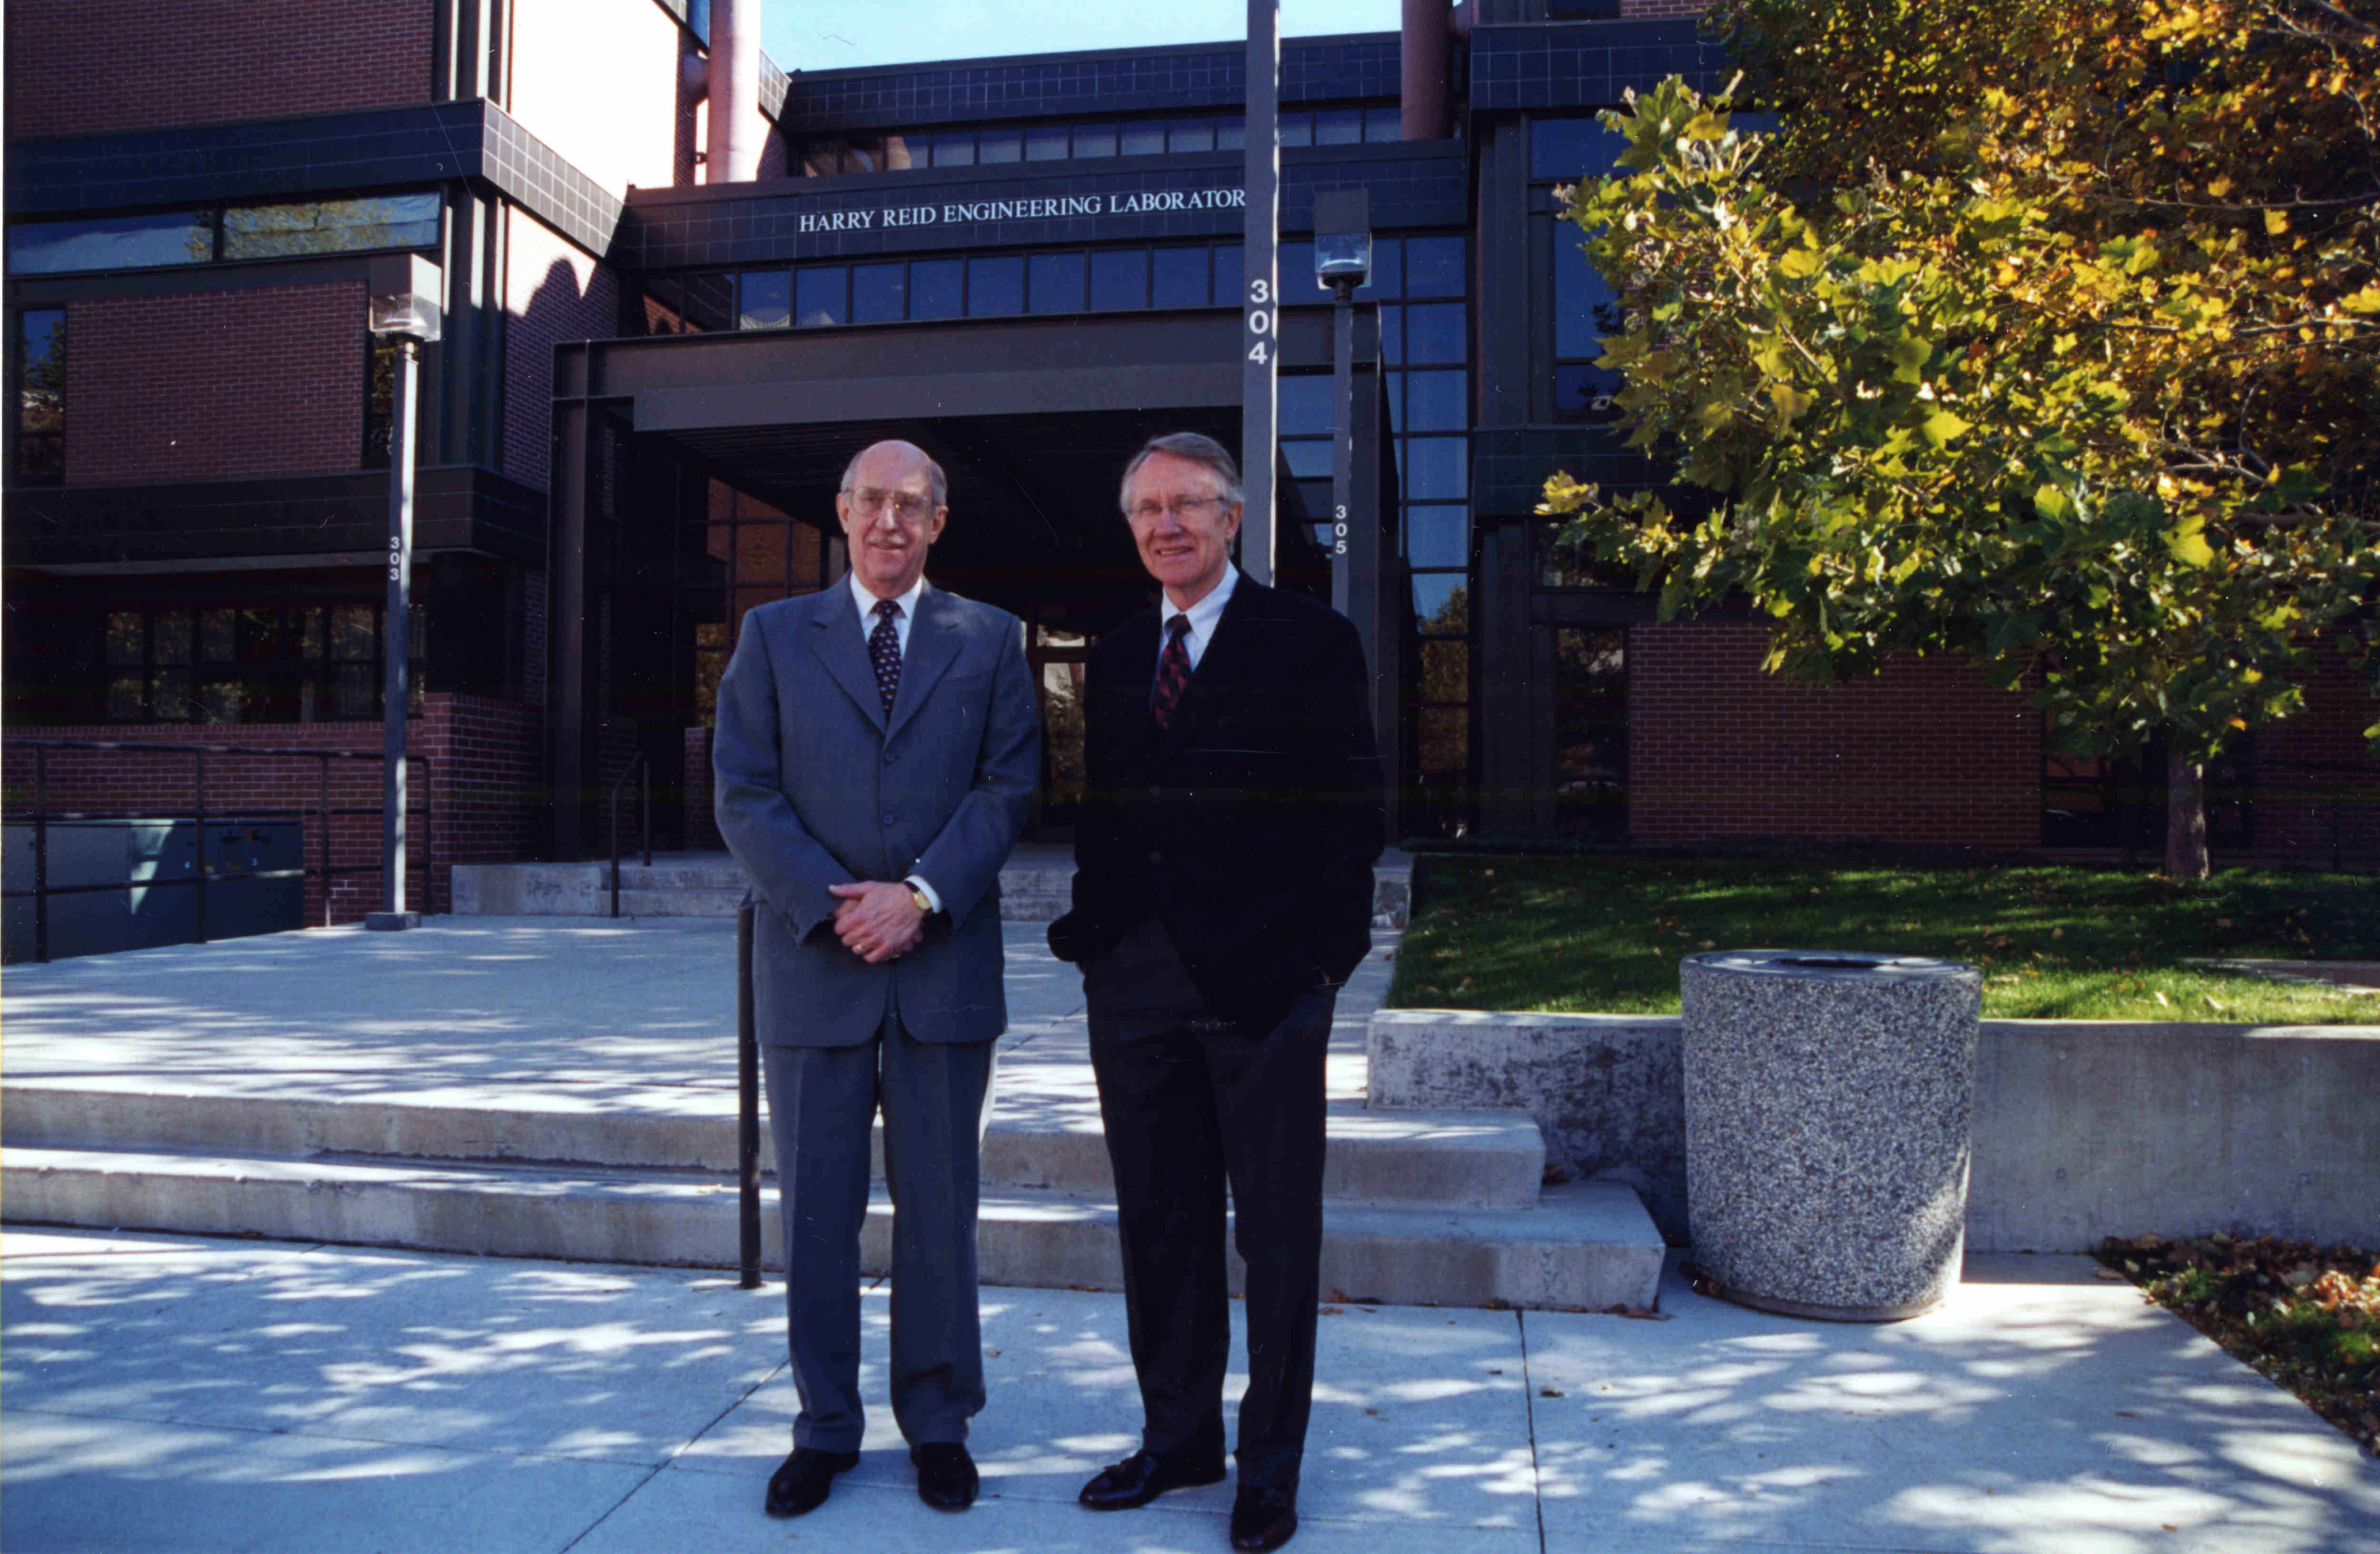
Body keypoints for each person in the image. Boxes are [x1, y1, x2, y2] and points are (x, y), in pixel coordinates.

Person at [1050, 432, 1385, 1552]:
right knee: (1159, 1225)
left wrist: (1322, 967)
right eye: (1145, 509)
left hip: (1267, 989)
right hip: (1134, 983)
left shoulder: (1309, 640)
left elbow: (1349, 816)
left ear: (1233, 519)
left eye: (1186, 506)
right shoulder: (1111, 652)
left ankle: (1269, 1470)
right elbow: (1102, 809)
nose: (1164, 527)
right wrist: (1099, 943)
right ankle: (1178, 1438)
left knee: (1276, 1242)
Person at [713, 438, 1038, 1519]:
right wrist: (839, 903)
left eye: (911, 504)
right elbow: (744, 794)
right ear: (840, 514)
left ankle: (938, 1423)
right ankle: (826, 1428)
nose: (889, 521)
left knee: (941, 1208)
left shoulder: (990, 640)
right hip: (814, 967)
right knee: (816, 1214)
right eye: (870, 502)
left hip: (943, 967)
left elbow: (1006, 789)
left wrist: (922, 896)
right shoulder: (770, 638)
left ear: (940, 522)